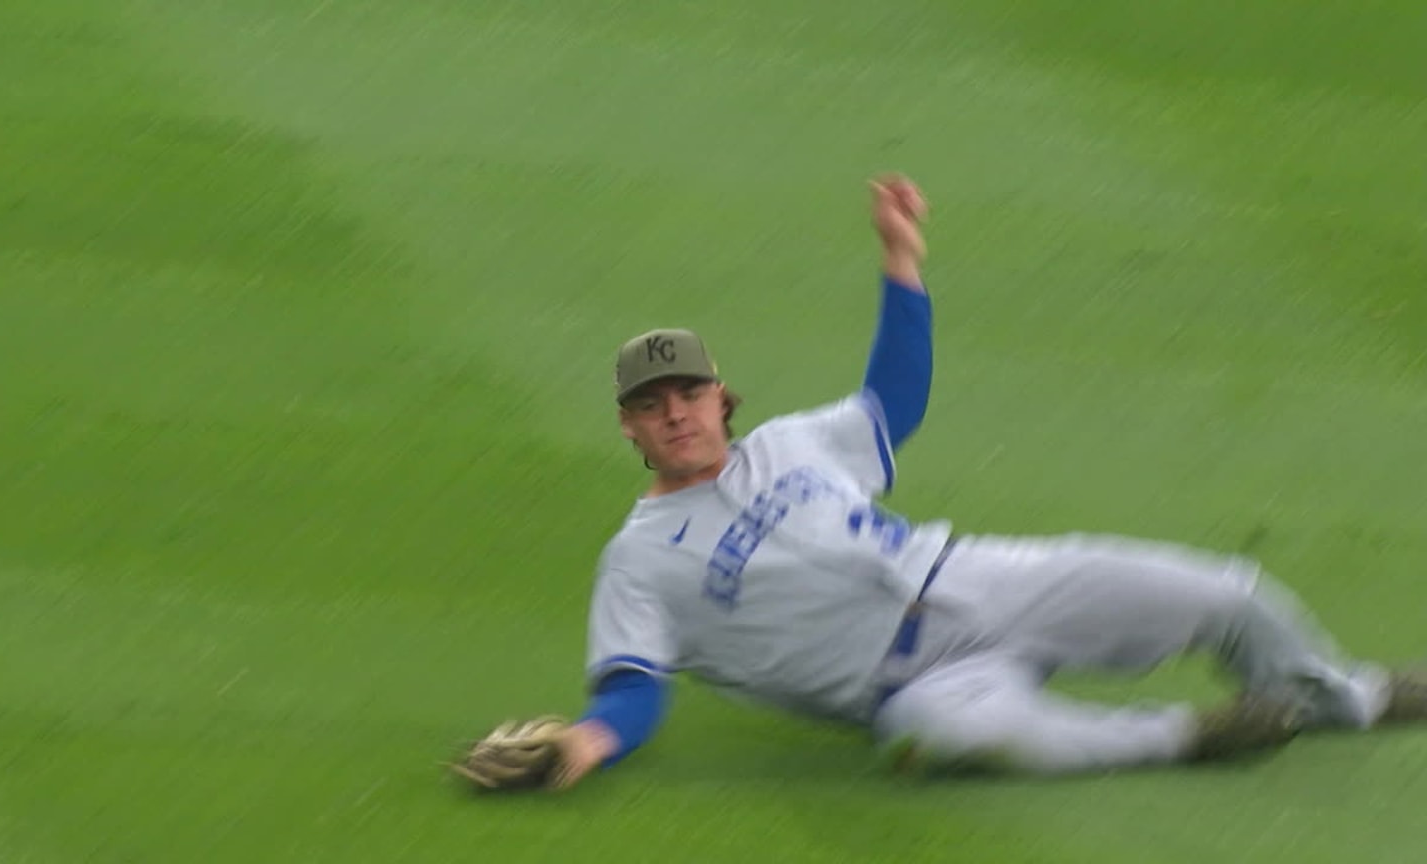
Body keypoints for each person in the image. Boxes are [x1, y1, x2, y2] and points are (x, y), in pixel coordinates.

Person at [450, 174, 1426, 791]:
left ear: (720, 396)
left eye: (690, 393)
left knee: (1228, 593)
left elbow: (894, 401)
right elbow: (633, 687)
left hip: (981, 578)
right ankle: (1188, 736)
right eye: (654, 404)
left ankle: (1347, 698)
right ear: (629, 424)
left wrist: (900, 260)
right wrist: (583, 745)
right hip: (913, 686)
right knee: (964, 743)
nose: (676, 413)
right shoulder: (638, 562)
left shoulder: (794, 443)